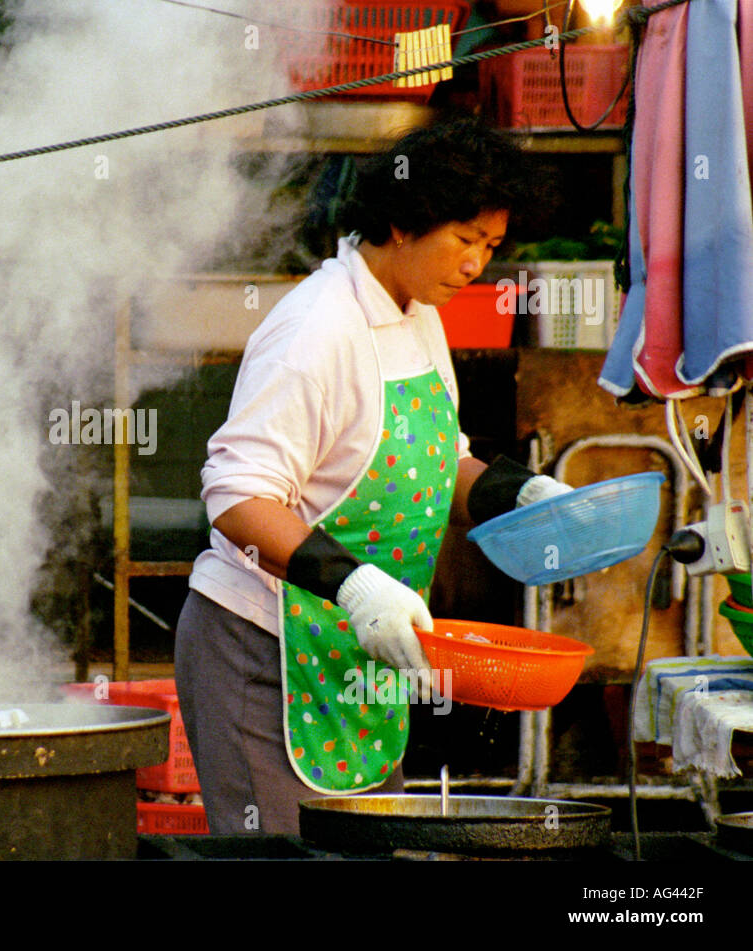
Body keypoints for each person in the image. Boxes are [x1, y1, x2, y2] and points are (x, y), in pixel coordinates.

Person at [174, 116, 571, 836]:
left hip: (359, 660)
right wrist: (355, 585)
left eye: (490, 245)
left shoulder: (419, 311)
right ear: (401, 221)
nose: (478, 263)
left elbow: (436, 461)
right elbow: (236, 496)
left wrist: (525, 498)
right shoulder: (315, 331)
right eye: (465, 238)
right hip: (263, 654)